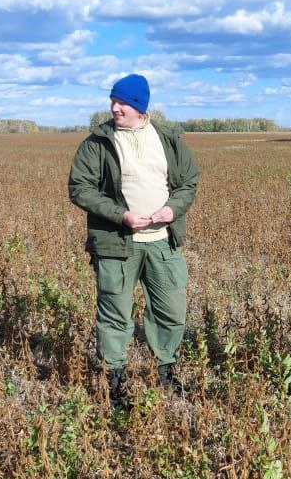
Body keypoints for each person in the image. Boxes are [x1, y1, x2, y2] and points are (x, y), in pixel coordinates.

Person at [68, 73, 200, 410]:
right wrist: (120, 215)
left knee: (171, 310)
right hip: (116, 243)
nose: (115, 107)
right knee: (114, 313)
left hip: (162, 242)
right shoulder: (98, 142)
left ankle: (165, 372)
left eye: (122, 102)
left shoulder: (168, 140)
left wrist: (172, 210)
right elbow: (80, 188)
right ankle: (115, 384)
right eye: (113, 101)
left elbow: (189, 183)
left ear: (141, 106)